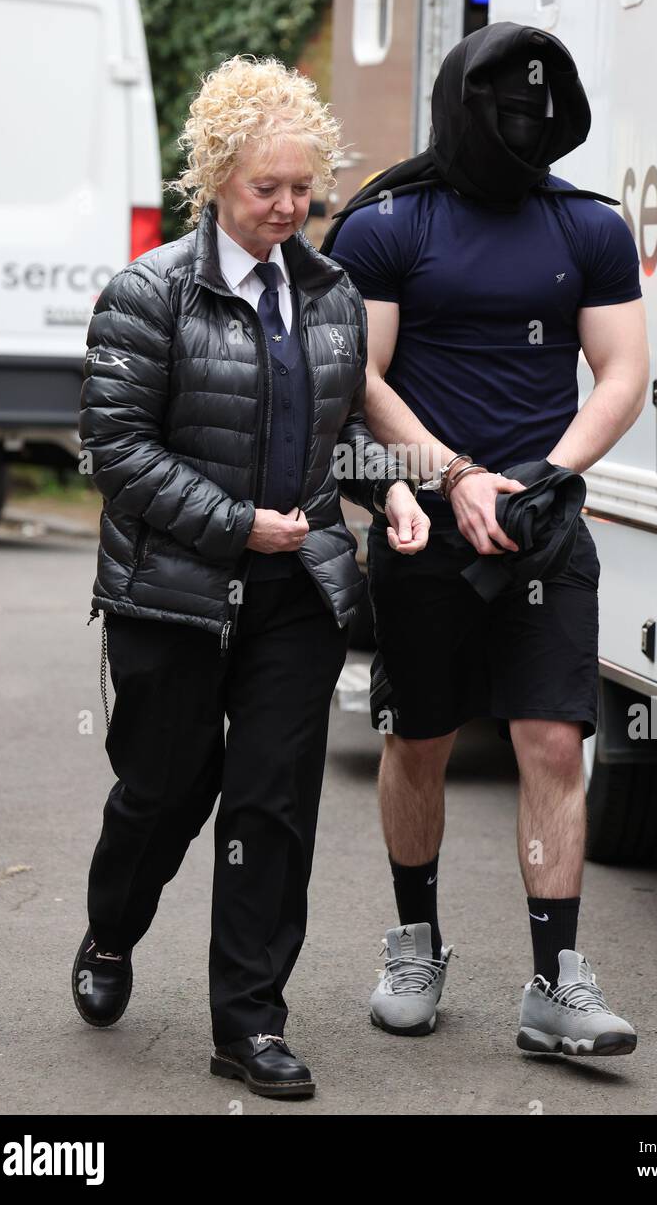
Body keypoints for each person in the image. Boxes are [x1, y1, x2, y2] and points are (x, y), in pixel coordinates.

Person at [72, 54, 428, 1099]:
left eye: (300, 187)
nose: (287, 207)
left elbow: (339, 428)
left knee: (269, 805)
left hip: (296, 595)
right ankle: (109, 934)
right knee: (162, 791)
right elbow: (117, 451)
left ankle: (249, 1024)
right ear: (216, 180)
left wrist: (390, 488)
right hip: (171, 595)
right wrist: (238, 527)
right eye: (264, 188)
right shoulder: (148, 293)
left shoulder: (330, 293)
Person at [323, 22, 649, 1056]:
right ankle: (413, 943)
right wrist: (454, 476)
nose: (523, 126)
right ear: (461, 106)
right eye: (503, 106)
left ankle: (554, 986)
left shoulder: (587, 228)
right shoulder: (384, 221)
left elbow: (621, 371)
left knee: (551, 738)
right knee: (417, 737)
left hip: (542, 530)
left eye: (540, 109)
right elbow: (359, 378)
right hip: (423, 525)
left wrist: (548, 478)